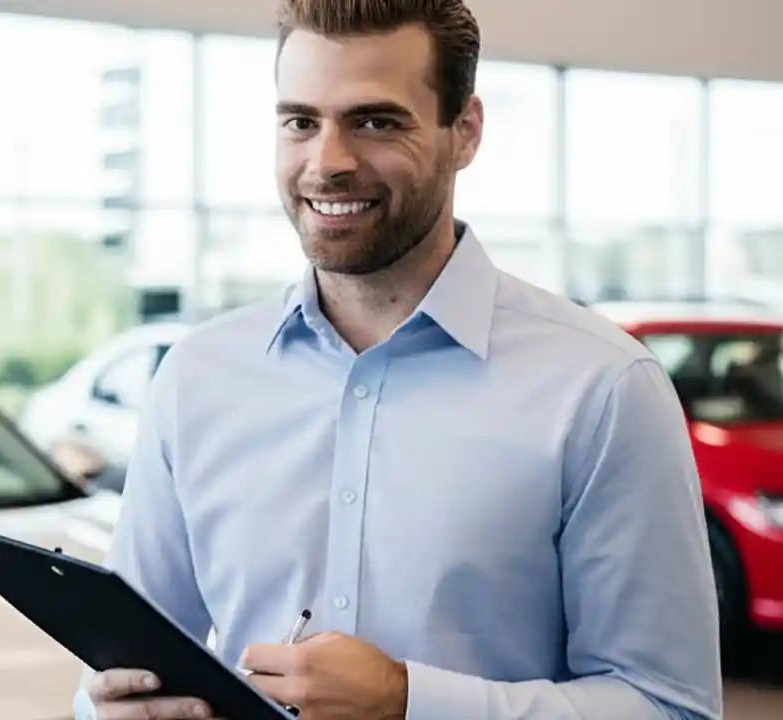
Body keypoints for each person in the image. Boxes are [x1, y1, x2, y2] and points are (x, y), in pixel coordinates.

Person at [76, 0, 722, 718]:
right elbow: (123, 666)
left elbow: (669, 706)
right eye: (301, 121)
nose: (329, 163)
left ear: (465, 131)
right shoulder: (196, 377)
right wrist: (108, 709)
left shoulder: (602, 388)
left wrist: (411, 702)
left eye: (375, 122)